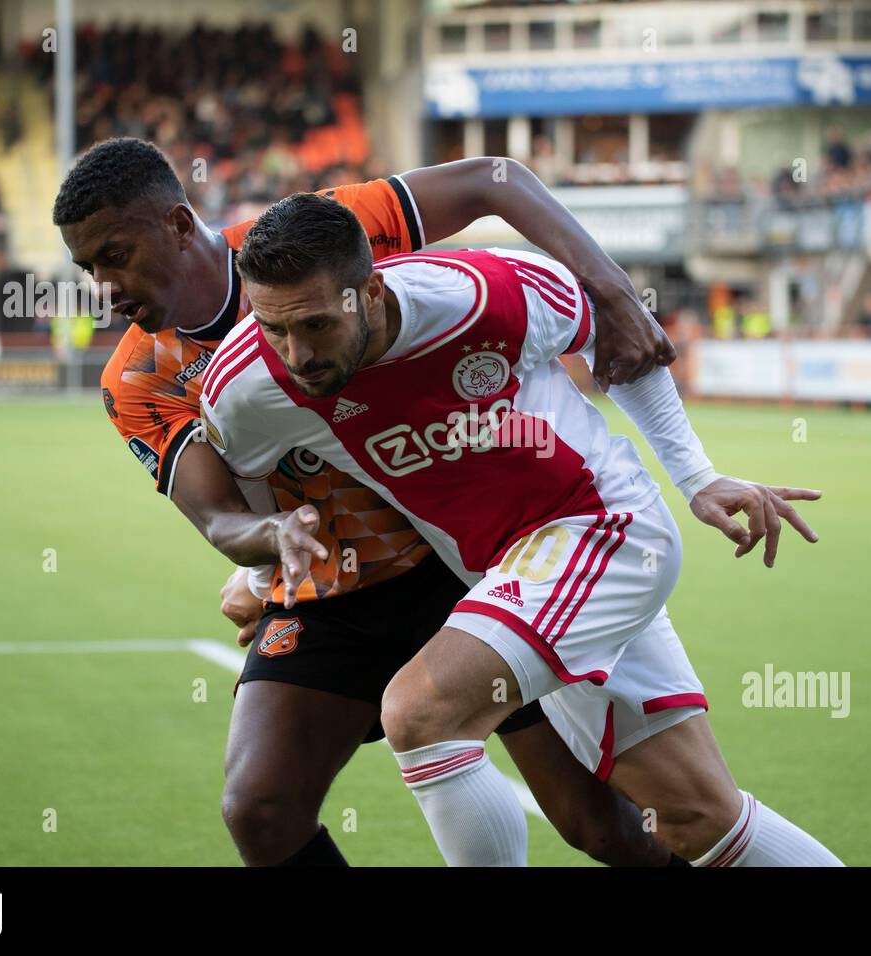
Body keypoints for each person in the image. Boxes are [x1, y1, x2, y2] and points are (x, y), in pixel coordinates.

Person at [54, 137, 681, 867]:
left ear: (179, 225)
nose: (103, 283)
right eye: (87, 267)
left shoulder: (318, 235)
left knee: (595, 824)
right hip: (330, 592)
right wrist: (267, 541)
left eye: (115, 254)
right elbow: (216, 513)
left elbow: (491, 178)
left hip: (464, 564)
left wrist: (609, 289)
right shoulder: (138, 377)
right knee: (259, 807)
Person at [198, 193, 844, 867]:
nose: (296, 354)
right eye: (274, 328)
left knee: (420, 713)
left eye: (315, 325)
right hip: (512, 575)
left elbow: (619, 335)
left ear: (371, 291)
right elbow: (261, 485)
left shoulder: (489, 294)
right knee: (697, 817)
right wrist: (262, 575)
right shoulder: (246, 385)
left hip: (600, 530)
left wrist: (697, 478)